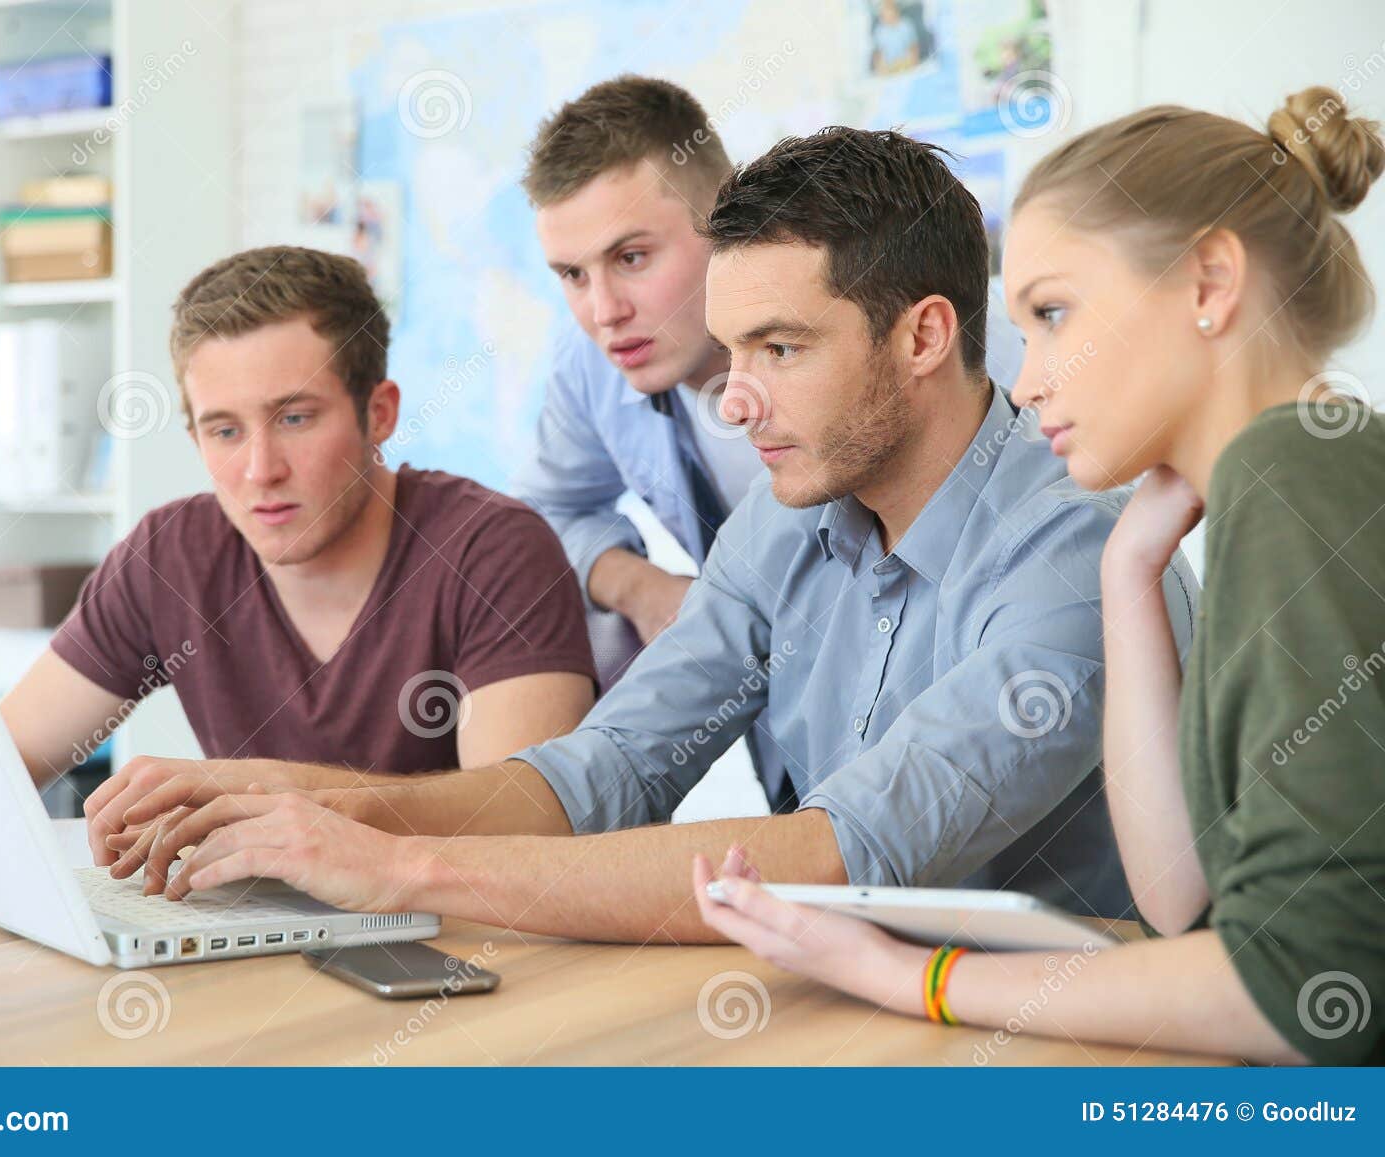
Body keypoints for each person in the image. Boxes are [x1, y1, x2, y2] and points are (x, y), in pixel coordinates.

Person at [86, 128, 1196, 942]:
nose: (736, 400)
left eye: (780, 348)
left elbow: (842, 855)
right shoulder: (786, 519)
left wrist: (402, 866)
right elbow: (604, 771)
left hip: (1056, 1043)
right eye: (733, 350)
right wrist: (310, 802)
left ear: (922, 337)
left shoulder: (1070, 550)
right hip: (857, 997)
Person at [695, 87, 1385, 1066]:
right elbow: (1179, 898)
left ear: (1209, 282)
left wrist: (912, 976)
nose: (1026, 379)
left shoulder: (1301, 476)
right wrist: (1128, 569)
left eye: (1055, 314)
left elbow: (1305, 993)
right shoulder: (1260, 489)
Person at [0, 246, 596, 881]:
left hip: (458, 950)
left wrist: (275, 792)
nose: (259, 469)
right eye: (224, 430)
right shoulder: (170, 556)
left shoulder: (495, 549)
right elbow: (5, 758)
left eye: (295, 417)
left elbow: (525, 817)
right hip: (261, 936)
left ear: (378, 413)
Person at [510, 75, 1024, 809]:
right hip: (795, 735)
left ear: (724, 226)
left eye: (632, 258)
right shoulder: (593, 367)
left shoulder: (978, 363)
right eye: (571, 275)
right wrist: (643, 590)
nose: (602, 312)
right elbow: (544, 517)